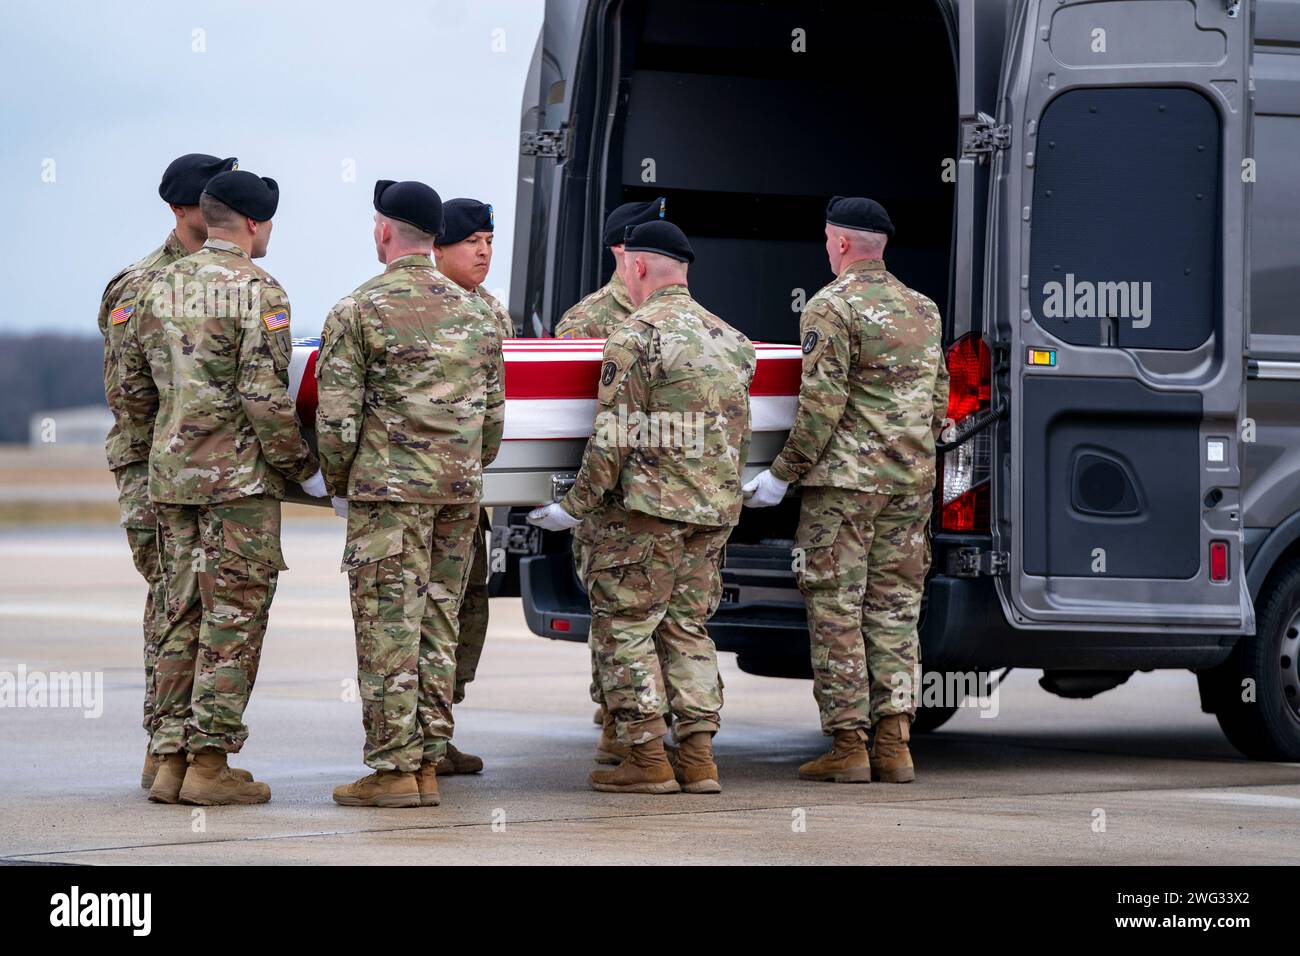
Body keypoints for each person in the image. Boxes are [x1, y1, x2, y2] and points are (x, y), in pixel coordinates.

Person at [119, 169, 326, 805]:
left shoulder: (156, 285)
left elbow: (130, 392)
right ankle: (209, 764)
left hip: (171, 477)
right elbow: (264, 396)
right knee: (233, 617)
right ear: (255, 224)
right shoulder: (258, 288)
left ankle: (169, 760)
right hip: (236, 485)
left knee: (179, 612)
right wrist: (305, 469)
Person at [529, 221, 754, 794]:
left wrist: (574, 507)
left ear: (635, 268)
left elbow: (613, 436)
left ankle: (647, 756)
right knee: (688, 628)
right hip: (712, 511)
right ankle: (699, 757)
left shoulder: (634, 336)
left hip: (644, 515)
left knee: (625, 628)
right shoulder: (733, 339)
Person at [743, 196, 949, 784]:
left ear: (837, 243)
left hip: (844, 489)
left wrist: (782, 474)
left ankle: (849, 745)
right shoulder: (924, 309)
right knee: (896, 612)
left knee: (836, 610)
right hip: (910, 485)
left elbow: (821, 406)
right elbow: (938, 400)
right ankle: (896, 744)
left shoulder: (830, 307)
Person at [317, 180, 505, 809]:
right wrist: (464, 472)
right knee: (437, 626)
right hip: (459, 495)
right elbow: (494, 420)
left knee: (388, 628)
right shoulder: (478, 313)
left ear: (383, 230)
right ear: (433, 239)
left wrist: (341, 485)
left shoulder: (358, 310)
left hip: (389, 497)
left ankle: (395, 770)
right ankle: (426, 761)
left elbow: (338, 421)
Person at [98, 152, 236, 789]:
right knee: (174, 605)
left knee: (203, 607)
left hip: (203, 472)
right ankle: (166, 746)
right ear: (182, 211)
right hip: (157, 469)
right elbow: (129, 395)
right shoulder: (140, 285)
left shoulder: (229, 276)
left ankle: (178, 751)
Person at [552, 198, 668, 744]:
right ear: (624, 250)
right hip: (609, 499)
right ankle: (619, 722)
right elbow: (569, 422)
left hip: (665, 497)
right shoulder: (585, 322)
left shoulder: (677, 315)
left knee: (666, 616)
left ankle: (649, 724)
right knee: (613, 614)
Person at [430, 198, 511, 776]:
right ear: (437, 248)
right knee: (420, 615)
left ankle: (439, 728)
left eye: (488, 240)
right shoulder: (419, 306)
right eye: (471, 242)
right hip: (415, 497)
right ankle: (412, 740)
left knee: (467, 612)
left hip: (468, 500)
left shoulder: (493, 313)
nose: (483, 252)